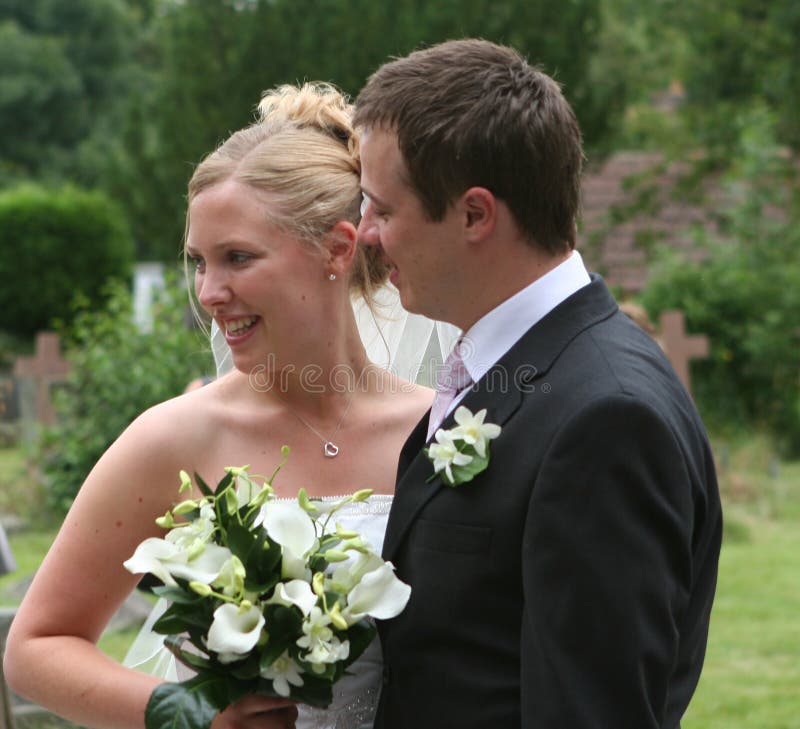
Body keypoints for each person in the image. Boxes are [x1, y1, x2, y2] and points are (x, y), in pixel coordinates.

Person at [3, 83, 435, 729]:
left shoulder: (442, 431)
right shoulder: (178, 439)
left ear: (339, 250)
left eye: (237, 258)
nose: (208, 292)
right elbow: (37, 647)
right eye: (198, 262)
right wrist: (194, 712)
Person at [354, 39, 723, 728]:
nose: (365, 234)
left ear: (474, 215)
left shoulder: (606, 419)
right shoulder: (510, 363)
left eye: (381, 208)